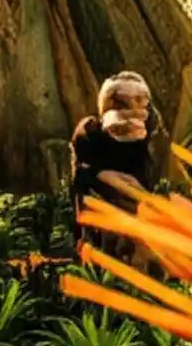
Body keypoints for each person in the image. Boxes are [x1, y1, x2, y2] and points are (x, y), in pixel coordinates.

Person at [68, 71, 163, 261]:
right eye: (124, 102)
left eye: (140, 100)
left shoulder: (147, 130)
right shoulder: (89, 132)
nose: (134, 107)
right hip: (101, 207)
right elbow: (87, 175)